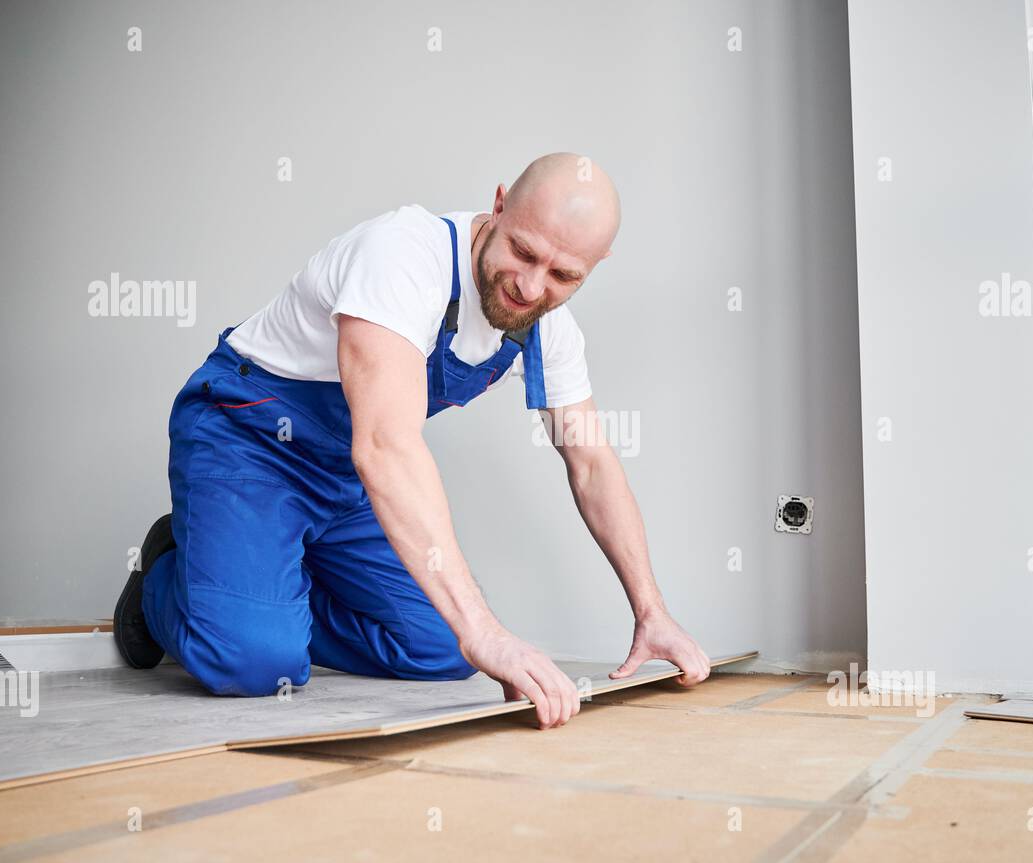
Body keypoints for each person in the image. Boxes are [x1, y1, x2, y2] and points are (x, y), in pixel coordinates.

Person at [114, 152, 710, 729]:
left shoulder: (548, 331)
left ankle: (265, 581)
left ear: (594, 266)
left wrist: (651, 611)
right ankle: (167, 576)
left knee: (439, 649)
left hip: (346, 473)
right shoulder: (401, 256)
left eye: (562, 275)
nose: (531, 288)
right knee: (255, 663)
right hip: (249, 436)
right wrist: (485, 629)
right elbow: (386, 446)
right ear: (498, 206)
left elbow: (592, 465)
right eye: (523, 252)